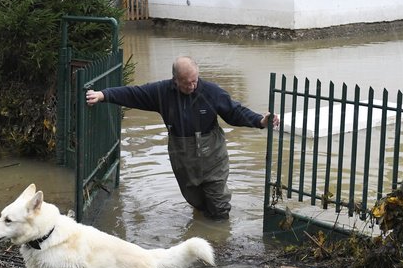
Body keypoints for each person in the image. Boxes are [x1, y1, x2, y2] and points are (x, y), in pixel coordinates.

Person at [85, 56, 279, 220]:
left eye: (195, 81)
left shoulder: (211, 92)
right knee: (197, 202)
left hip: (213, 158)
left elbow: (235, 111)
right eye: (187, 83)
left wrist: (260, 121)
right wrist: (103, 95)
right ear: (175, 80)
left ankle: (221, 240)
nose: (192, 86)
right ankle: (203, 227)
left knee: (219, 204)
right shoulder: (161, 92)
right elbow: (133, 94)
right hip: (183, 160)